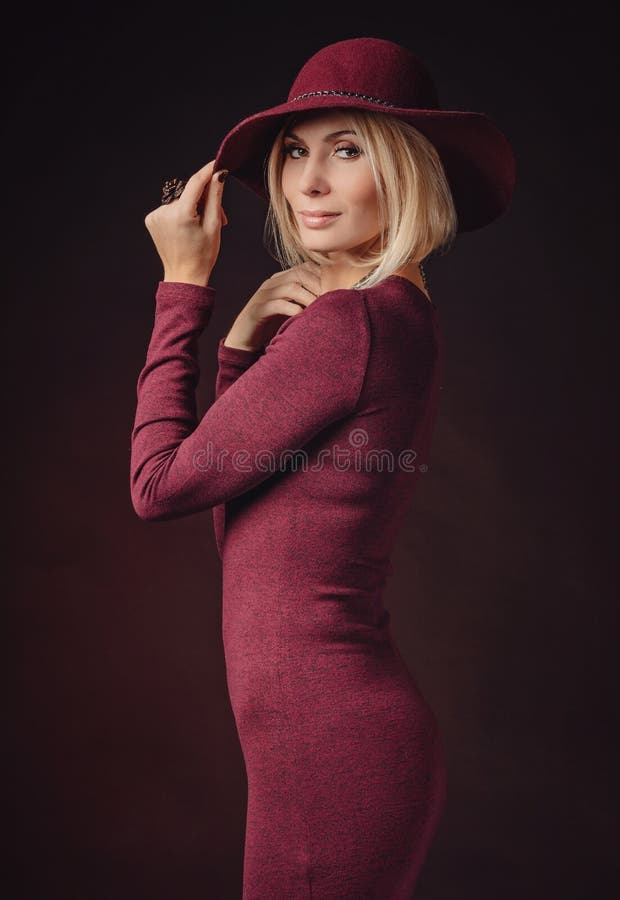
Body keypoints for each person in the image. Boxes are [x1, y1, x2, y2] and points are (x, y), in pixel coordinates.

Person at [130, 36, 515, 899]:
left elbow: (159, 486)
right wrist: (240, 346)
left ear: (405, 170)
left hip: (330, 751)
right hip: (323, 749)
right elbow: (249, 519)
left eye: (346, 150)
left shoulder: (356, 324)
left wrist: (184, 288)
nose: (308, 182)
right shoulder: (383, 319)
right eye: (296, 151)